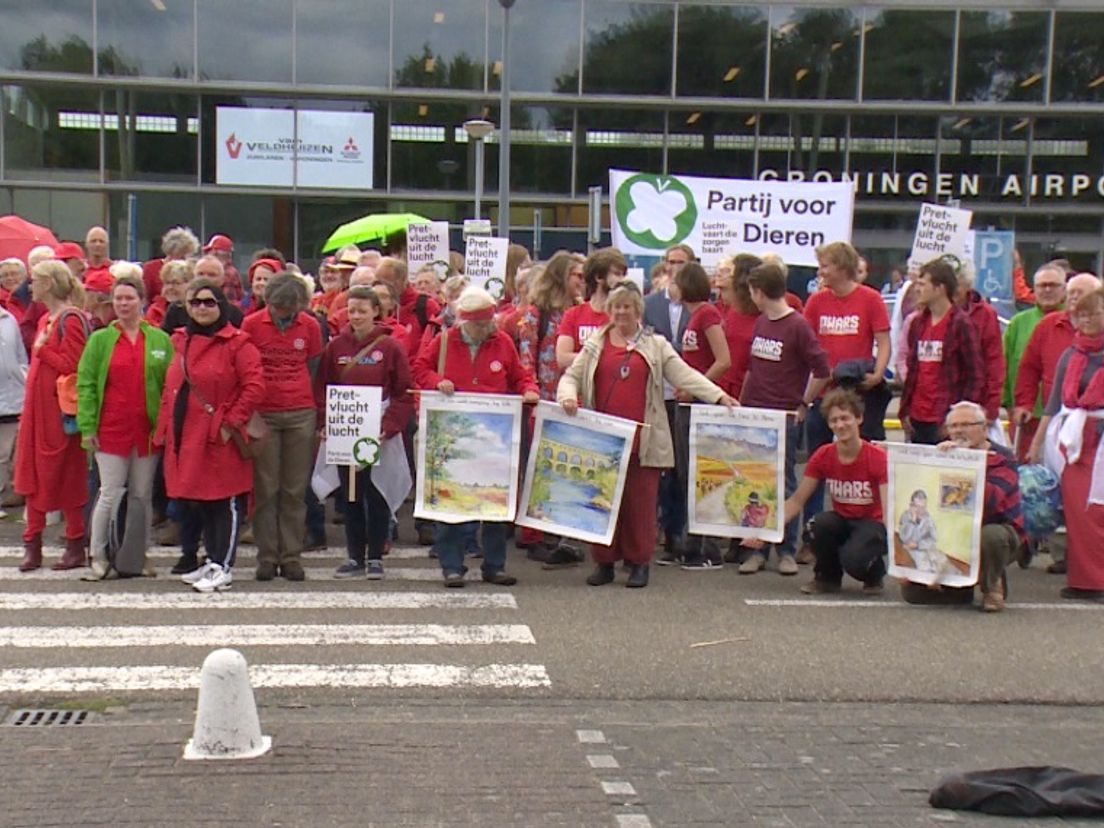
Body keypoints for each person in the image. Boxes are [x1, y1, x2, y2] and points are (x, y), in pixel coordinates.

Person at [557, 282, 737, 588]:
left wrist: (718, 396)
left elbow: (684, 375)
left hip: (644, 438)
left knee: (641, 505)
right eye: (616, 307)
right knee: (602, 500)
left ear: (637, 310)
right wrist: (568, 397)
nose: (621, 312)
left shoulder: (656, 345)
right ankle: (604, 563)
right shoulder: (595, 343)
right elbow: (571, 376)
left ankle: (639, 563)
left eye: (627, 306)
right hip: (604, 440)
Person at [413, 286, 540, 588]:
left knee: (494, 501)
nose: (487, 328)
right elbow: (419, 369)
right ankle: (452, 566)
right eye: (481, 323)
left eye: (489, 322)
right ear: (466, 321)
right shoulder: (445, 341)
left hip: (494, 433)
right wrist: (437, 381)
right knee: (451, 501)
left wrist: (529, 389)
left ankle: (494, 566)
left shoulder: (502, 342)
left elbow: (519, 375)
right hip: (453, 432)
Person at [155, 279, 265, 592]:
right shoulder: (180, 340)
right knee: (200, 500)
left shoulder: (238, 344)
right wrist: (164, 430)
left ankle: (223, 565)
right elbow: (171, 389)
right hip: (186, 434)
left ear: (221, 306)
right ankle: (212, 559)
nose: (202, 308)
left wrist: (230, 423)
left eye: (209, 302)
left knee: (225, 501)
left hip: (219, 434)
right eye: (195, 302)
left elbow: (255, 386)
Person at [76, 275, 172, 579]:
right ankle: (98, 555)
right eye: (118, 298)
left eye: (129, 298)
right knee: (109, 492)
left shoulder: (159, 340)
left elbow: (169, 386)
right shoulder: (100, 340)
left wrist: (164, 427)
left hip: (147, 431)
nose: (123, 303)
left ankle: (137, 556)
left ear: (142, 300)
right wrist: (88, 426)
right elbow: (86, 384)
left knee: (142, 496)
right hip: (110, 429)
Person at [737, 262, 830, 575]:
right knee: (755, 481)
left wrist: (804, 401)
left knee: (784, 483)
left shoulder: (797, 326)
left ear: (759, 292)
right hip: (755, 413)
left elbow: (822, 370)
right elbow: (753, 368)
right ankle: (757, 549)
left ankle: (786, 549)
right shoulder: (762, 322)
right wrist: (743, 404)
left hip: (783, 416)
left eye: (752, 291)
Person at [315, 286, 414, 579]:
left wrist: (389, 427)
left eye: (362, 311)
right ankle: (354, 556)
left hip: (379, 432)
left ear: (375, 311)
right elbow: (323, 388)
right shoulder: (336, 347)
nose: (356, 316)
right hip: (346, 431)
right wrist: (325, 423)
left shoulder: (390, 347)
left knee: (377, 494)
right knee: (351, 496)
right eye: (351, 311)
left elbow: (403, 392)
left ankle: (376, 557)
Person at [901, 401, 1025, 612]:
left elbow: (991, 501)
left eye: (966, 424)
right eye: (953, 426)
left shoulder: (1002, 458)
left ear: (984, 428)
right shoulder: (940, 454)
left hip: (995, 530)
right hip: (954, 533)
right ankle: (963, 584)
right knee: (915, 594)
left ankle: (992, 583)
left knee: (992, 536)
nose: (959, 430)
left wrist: (963, 464)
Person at [242, 272, 323, 582]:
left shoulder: (310, 326)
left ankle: (291, 556)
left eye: (290, 309)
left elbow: (314, 367)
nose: (283, 313)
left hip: (300, 411)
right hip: (264, 412)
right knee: (265, 488)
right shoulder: (251, 325)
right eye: (278, 307)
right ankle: (266, 556)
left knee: (294, 489)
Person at [14, 261, 90, 572]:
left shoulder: (70, 319)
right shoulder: (47, 318)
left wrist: (43, 351)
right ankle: (33, 542)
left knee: (65, 476)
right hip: (39, 412)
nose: (30, 286)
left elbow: (74, 365)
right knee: (33, 475)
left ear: (49, 284)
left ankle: (73, 542)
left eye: (35, 280)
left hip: (58, 414)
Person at [1030, 288, 1104, 602]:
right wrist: (1037, 443)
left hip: (1100, 439)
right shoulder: (1071, 354)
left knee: (1098, 511)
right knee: (1077, 514)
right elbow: (1053, 403)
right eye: (1080, 315)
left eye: (1093, 314)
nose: (1086, 320)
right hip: (1074, 443)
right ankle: (1084, 580)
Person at [784, 388, 889, 595]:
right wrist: (766, 531)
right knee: (816, 526)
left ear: (859, 418)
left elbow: (888, 510)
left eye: (845, 418)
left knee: (853, 560)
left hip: (872, 524)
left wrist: (898, 550)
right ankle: (827, 578)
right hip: (842, 520)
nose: (840, 425)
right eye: (834, 421)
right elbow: (797, 501)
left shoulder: (877, 457)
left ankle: (873, 571)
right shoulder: (823, 455)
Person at [670, 262, 732, 570]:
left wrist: (699, 387)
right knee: (687, 474)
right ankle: (692, 540)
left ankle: (709, 547)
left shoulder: (707, 314)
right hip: (687, 403)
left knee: (703, 474)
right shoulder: (692, 316)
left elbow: (723, 359)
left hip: (702, 404)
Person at [899, 258, 984, 445]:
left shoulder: (961, 323)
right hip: (917, 416)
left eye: (922, 284)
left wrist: (959, 419)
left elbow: (975, 375)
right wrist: (905, 410)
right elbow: (913, 371)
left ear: (940, 288)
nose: (917, 289)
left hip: (945, 416)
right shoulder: (917, 323)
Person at [644, 244, 693, 562]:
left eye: (681, 263)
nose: (675, 267)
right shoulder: (649, 304)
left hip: (687, 393)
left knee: (682, 467)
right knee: (659, 465)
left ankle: (679, 531)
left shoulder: (701, 306)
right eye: (670, 262)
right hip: (657, 393)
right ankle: (660, 528)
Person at [1003, 263, 1067, 460]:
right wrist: (1008, 403)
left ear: (1064, 289)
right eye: (1042, 285)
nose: (1047, 290)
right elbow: (1004, 364)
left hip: (1062, 416)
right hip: (1026, 417)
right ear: (1034, 289)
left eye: (1053, 285)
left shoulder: (1075, 322)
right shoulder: (1018, 322)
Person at [518, 251, 585, 401]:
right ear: (562, 276)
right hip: (545, 400)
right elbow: (527, 359)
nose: (583, 282)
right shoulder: (537, 313)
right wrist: (531, 391)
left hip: (576, 398)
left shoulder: (582, 312)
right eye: (579, 276)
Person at [953, 261, 1005, 432]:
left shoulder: (985, 314)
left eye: (957, 285)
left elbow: (994, 362)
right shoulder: (929, 314)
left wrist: (991, 407)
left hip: (975, 404)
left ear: (968, 286)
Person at [554, 247, 627, 370]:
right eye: (617, 274)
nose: (622, 280)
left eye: (623, 275)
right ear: (599, 277)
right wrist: (603, 359)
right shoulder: (573, 314)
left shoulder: (623, 316)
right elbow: (562, 358)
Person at [716, 253, 761, 399]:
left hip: (748, 395)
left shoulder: (763, 317)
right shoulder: (730, 310)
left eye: (728, 272)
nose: (721, 275)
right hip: (722, 392)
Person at [375, 257, 440, 357]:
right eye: (378, 282)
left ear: (402, 280)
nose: (381, 287)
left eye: (387, 282)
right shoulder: (373, 307)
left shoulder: (426, 305)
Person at [0, 297, 26, 517]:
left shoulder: (9, 320)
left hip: (11, 396)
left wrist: (22, 378)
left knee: (5, 453)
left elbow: (20, 356)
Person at [142, 225, 200, 303]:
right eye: (179, 256)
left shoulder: (191, 269)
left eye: (184, 256)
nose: (182, 260)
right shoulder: (150, 268)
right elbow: (144, 298)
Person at [897, 490, 939, 571]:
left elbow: (933, 539)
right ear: (911, 505)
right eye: (917, 507)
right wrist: (912, 521)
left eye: (923, 507)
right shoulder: (905, 516)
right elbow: (904, 537)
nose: (920, 511)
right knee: (923, 568)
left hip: (925, 550)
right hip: (910, 553)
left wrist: (918, 545)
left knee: (940, 565)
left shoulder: (928, 518)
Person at [202, 234, 243, 304]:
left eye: (209, 252)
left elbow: (226, 303)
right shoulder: (230, 271)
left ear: (215, 253)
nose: (207, 256)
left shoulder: (228, 274)